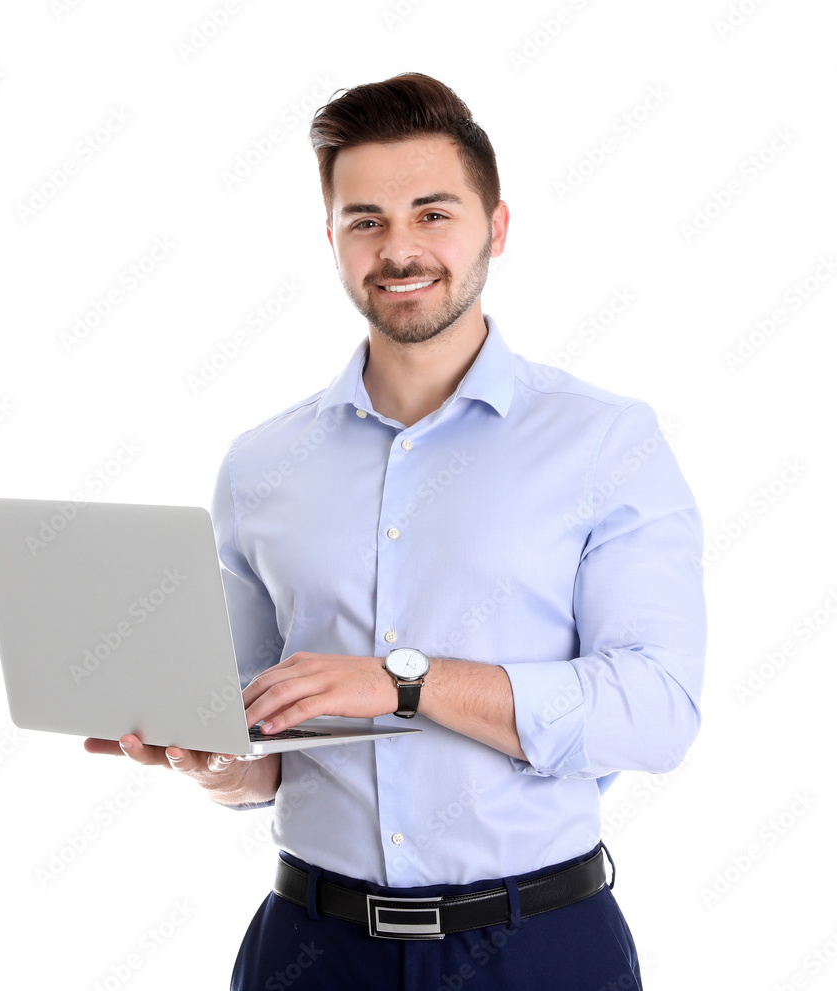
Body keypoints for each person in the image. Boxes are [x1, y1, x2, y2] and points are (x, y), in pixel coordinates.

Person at [85, 72, 706, 989]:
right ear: (331, 240)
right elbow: (266, 744)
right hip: (310, 947)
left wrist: (401, 683)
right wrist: (215, 761)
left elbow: (656, 712)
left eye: (432, 212)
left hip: (536, 946)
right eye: (365, 219)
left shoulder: (606, 441)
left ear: (496, 227)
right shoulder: (262, 464)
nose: (399, 247)